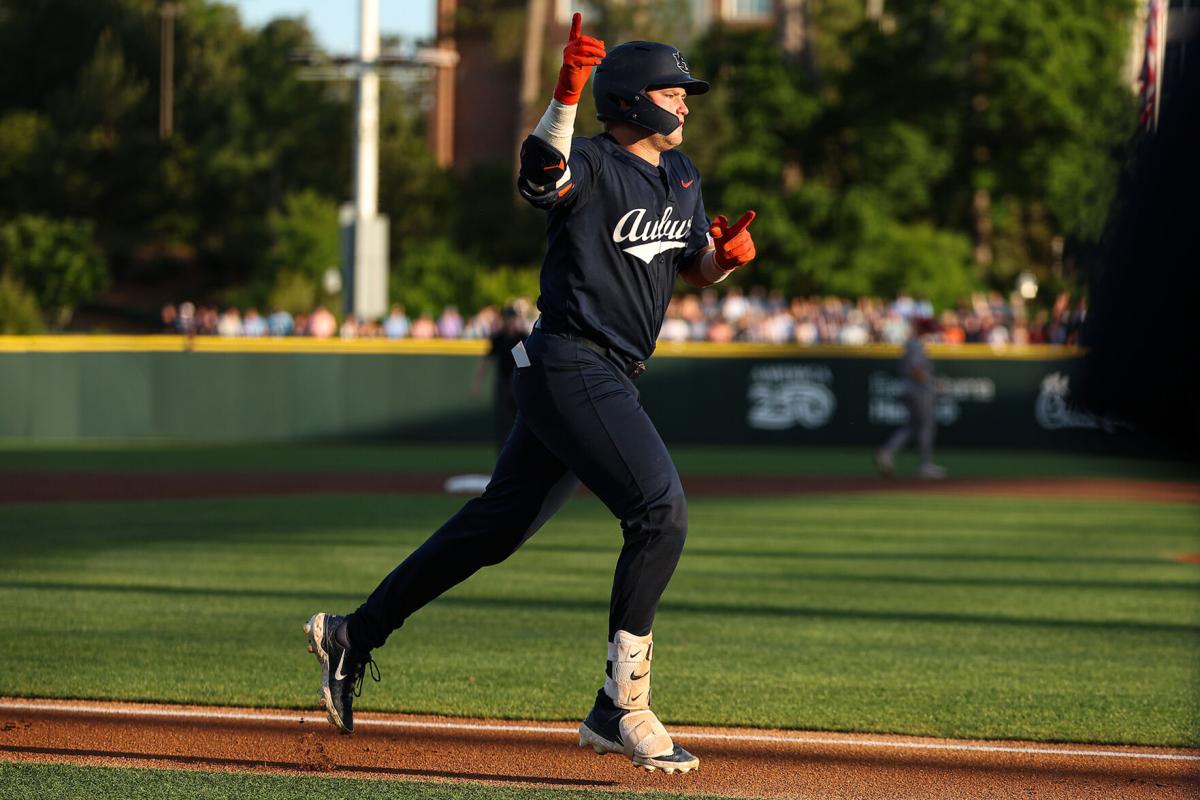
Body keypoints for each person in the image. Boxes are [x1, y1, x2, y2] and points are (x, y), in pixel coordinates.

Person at [303, 12, 757, 775]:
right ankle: (623, 706)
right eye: (674, 91)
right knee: (660, 511)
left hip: (606, 373)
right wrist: (566, 90)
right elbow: (540, 176)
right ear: (631, 100)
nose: (686, 103)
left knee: (494, 530)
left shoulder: (682, 177)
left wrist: (726, 262)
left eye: (688, 93)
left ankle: (355, 634)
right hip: (570, 362)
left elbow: (693, 264)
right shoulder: (586, 158)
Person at [875, 316, 947, 479]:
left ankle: (887, 452)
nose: (931, 333)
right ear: (923, 330)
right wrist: (933, 383)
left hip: (909, 388)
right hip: (919, 390)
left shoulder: (911, 344)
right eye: (929, 330)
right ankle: (925, 466)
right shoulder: (916, 346)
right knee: (926, 428)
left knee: (912, 427)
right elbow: (916, 371)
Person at [469, 305, 528, 452]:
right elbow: (486, 361)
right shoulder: (499, 338)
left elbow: (523, 364)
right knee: (503, 419)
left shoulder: (519, 337)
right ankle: (504, 451)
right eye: (509, 318)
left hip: (516, 381)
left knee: (518, 418)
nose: (511, 321)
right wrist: (477, 383)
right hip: (503, 382)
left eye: (513, 318)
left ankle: (518, 450)